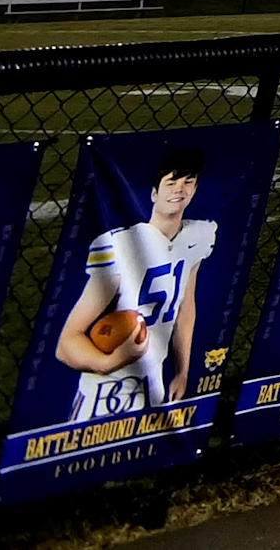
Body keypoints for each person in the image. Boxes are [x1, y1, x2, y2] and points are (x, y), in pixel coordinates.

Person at [54, 147, 216, 426]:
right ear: (154, 193)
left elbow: (185, 307)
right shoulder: (122, 245)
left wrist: (183, 371)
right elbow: (67, 343)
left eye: (188, 182)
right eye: (171, 182)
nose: (180, 189)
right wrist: (112, 361)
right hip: (106, 390)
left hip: (153, 382)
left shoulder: (197, 236)